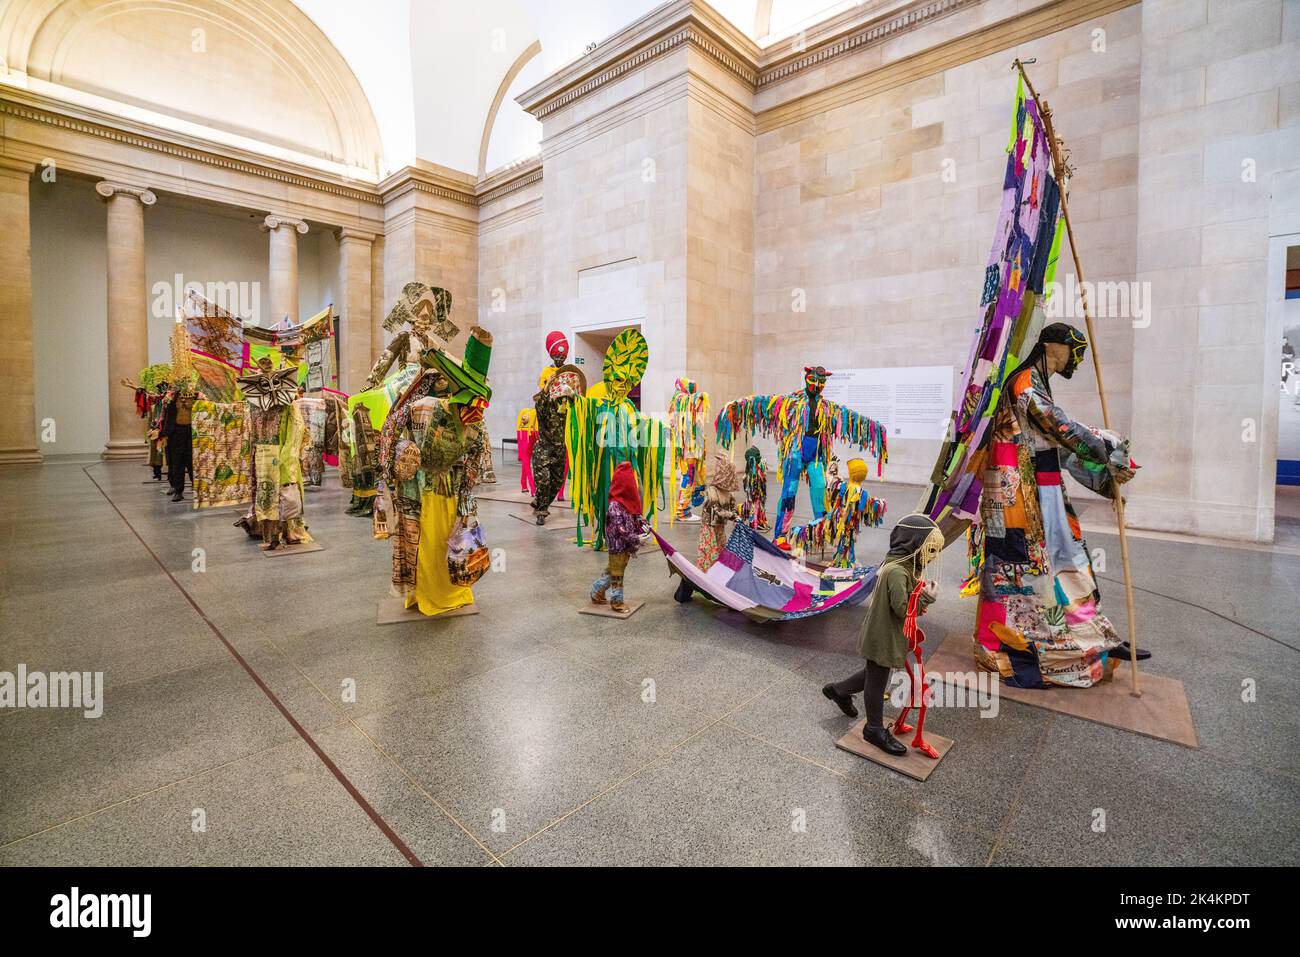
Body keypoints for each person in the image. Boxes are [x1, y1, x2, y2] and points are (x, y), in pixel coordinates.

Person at [972, 322, 1136, 688]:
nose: (1074, 358)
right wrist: (1105, 446)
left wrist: (1106, 472)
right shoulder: (1025, 382)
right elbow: (1061, 427)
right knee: (1010, 567)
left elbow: (1057, 447)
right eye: (1070, 348)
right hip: (1015, 495)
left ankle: (1090, 636)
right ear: (1051, 345)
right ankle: (994, 641)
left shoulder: (1038, 385)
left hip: (1044, 490)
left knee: (1068, 562)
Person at [715, 366, 887, 543]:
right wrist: (738, 407)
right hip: (794, 453)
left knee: (820, 487)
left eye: (822, 382)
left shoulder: (827, 407)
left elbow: (850, 418)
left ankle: (822, 532)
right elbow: (763, 403)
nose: (818, 385)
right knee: (789, 492)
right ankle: (780, 536)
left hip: (815, 455)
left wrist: (875, 429)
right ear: (806, 379)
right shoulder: (791, 401)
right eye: (814, 381)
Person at [822, 514, 942, 756]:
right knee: (877, 680)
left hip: (884, 632)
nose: (932, 556)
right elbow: (901, 608)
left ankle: (838, 690)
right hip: (883, 634)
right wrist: (927, 597)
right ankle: (874, 728)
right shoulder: (897, 571)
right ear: (914, 545)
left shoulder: (902, 565)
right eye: (929, 550)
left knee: (874, 673)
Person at [674, 452, 741, 603]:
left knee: (721, 553)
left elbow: (733, 508)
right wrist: (732, 516)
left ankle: (714, 581)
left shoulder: (728, 494)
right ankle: (694, 583)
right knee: (708, 556)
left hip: (719, 528)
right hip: (709, 527)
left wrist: (738, 514)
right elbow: (717, 510)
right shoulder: (712, 492)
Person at [590, 461, 648, 613]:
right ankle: (617, 602)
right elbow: (620, 529)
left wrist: (644, 524)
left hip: (626, 545)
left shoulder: (628, 502)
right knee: (617, 575)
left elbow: (636, 515)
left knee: (614, 570)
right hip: (617, 546)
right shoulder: (615, 506)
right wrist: (636, 538)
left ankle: (596, 591)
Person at [530, 371, 575, 525]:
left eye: (566, 399)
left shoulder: (569, 411)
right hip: (543, 450)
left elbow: (580, 404)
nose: (564, 402)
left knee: (557, 481)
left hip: (559, 451)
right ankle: (541, 512)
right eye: (562, 399)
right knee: (544, 481)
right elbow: (539, 405)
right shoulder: (547, 406)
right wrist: (547, 386)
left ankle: (540, 502)